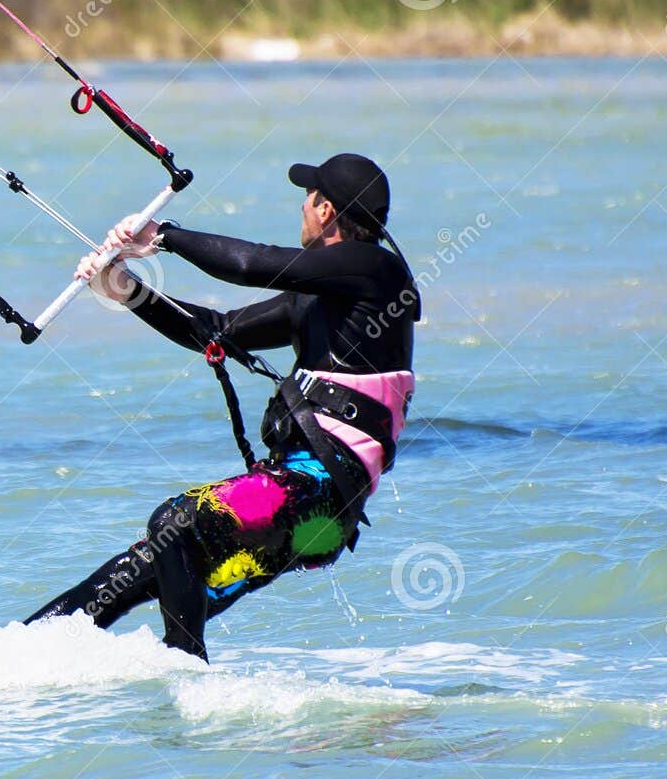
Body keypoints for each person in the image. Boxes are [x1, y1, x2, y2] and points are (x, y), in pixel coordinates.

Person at [22, 153, 420, 661]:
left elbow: (255, 265)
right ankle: (15, 651)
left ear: (325, 209)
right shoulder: (319, 300)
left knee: (174, 523)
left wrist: (163, 236)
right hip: (300, 510)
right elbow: (218, 331)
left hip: (317, 495)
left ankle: (185, 673)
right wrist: (126, 290)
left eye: (307, 197)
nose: (301, 207)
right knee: (136, 570)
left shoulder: (377, 271)